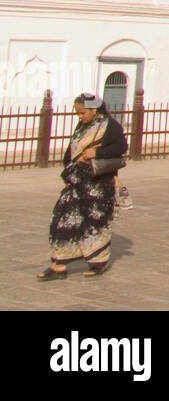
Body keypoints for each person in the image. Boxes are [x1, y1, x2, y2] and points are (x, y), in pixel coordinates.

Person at [39, 93, 128, 279]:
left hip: (99, 183)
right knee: (62, 219)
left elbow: (121, 148)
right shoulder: (83, 126)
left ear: (94, 110)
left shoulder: (110, 127)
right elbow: (72, 151)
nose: (80, 117)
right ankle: (59, 264)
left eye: (82, 113)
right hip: (76, 182)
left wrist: (96, 152)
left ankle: (99, 261)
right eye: (78, 113)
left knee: (96, 223)